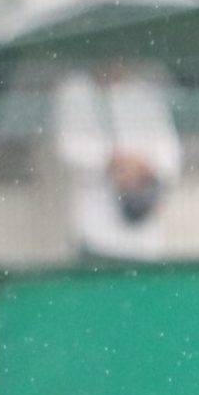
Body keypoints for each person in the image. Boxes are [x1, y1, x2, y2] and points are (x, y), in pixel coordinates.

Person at [52, 62, 180, 259]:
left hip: (143, 236)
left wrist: (139, 167)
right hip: (94, 232)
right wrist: (111, 160)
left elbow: (169, 156)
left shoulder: (144, 91)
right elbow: (69, 149)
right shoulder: (74, 91)